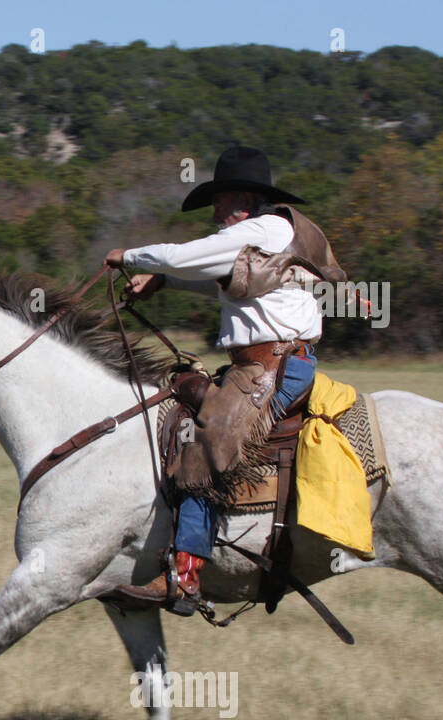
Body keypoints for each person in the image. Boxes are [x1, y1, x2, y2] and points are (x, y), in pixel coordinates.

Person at [101, 146, 344, 614]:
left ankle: (185, 577)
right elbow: (222, 273)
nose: (213, 211)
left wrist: (129, 256)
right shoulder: (273, 235)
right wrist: (164, 282)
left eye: (218, 200)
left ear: (244, 200)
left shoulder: (261, 229)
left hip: (269, 368)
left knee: (207, 443)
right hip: (269, 363)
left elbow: (183, 255)